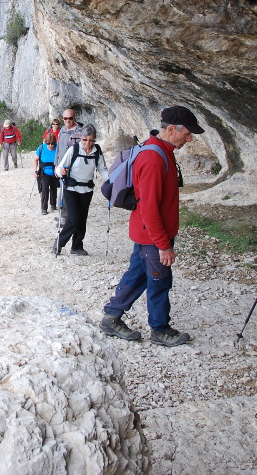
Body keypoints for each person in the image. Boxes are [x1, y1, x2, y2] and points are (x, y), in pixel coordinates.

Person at [100, 105, 204, 347]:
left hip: (146, 234)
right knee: (159, 280)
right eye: (187, 134)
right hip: (152, 236)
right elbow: (148, 207)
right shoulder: (153, 158)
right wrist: (164, 245)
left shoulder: (160, 151)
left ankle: (111, 316)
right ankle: (160, 329)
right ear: (170, 129)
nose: (189, 139)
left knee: (137, 275)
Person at [54, 124, 108, 256]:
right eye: (85, 140)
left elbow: (102, 169)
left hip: (87, 190)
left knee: (82, 219)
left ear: (94, 139)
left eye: (91, 140)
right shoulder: (74, 149)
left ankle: (77, 246)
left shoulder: (97, 151)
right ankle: (59, 243)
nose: (88, 143)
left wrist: (111, 180)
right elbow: (59, 169)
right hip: (71, 188)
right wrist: (61, 171)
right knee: (74, 218)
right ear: (81, 138)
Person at [55, 109, 84, 226]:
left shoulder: (80, 132)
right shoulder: (62, 130)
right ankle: (64, 215)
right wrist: (55, 164)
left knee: (70, 191)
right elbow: (58, 148)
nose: (68, 121)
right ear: (62, 119)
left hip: (74, 167)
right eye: (65, 119)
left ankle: (68, 216)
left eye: (70, 118)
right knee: (63, 191)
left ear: (74, 118)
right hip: (62, 166)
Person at [34, 133, 59, 215]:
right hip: (44, 172)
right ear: (46, 142)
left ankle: (53, 204)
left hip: (54, 171)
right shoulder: (41, 148)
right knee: (44, 189)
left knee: (53, 188)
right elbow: (35, 159)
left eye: (52, 143)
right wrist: (35, 171)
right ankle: (44, 208)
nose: (50, 145)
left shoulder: (57, 148)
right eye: (48, 143)